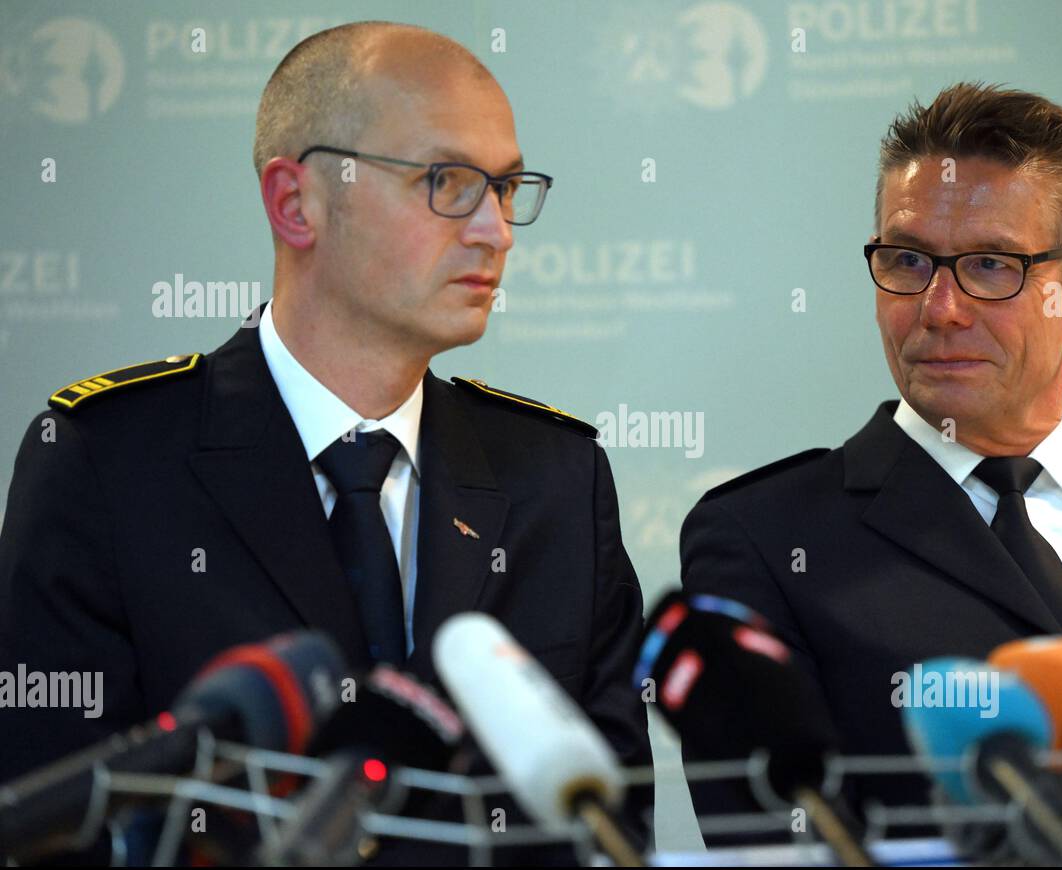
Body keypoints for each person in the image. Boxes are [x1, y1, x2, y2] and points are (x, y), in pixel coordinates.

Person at [0, 21, 650, 816]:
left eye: (508, 188)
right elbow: (56, 835)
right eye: (447, 181)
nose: (497, 231)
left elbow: (612, 828)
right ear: (295, 202)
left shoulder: (558, 478)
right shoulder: (107, 462)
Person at [680, 82, 1062, 813]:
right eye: (908, 261)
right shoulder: (764, 537)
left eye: (991, 265)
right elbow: (774, 841)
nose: (939, 310)